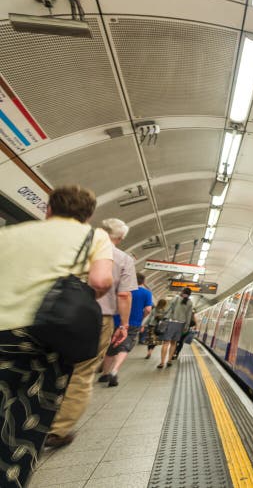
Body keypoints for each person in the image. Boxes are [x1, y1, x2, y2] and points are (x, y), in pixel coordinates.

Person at [0, 185, 113, 486]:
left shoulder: (10, 233)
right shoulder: (94, 236)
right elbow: (102, 279)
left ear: (48, 209)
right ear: (87, 216)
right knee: (26, 420)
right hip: (44, 337)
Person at [47, 218, 136, 447]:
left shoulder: (72, 245)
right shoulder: (123, 259)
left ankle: (34, 414)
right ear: (121, 238)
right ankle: (58, 430)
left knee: (49, 362)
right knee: (83, 372)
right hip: (97, 318)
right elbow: (124, 295)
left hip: (52, 312)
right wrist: (124, 325)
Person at [98, 272, 152, 386]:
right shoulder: (147, 293)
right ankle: (115, 370)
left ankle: (105, 375)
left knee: (111, 348)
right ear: (143, 281)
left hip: (115, 321)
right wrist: (141, 319)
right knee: (124, 348)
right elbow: (148, 309)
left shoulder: (122, 289)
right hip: (133, 324)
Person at [158, 288, 194, 369]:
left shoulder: (176, 298)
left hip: (171, 322)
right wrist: (186, 326)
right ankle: (169, 360)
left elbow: (167, 309)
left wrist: (162, 315)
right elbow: (188, 316)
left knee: (166, 343)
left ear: (182, 292)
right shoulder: (190, 303)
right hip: (180, 325)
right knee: (174, 343)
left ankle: (162, 362)